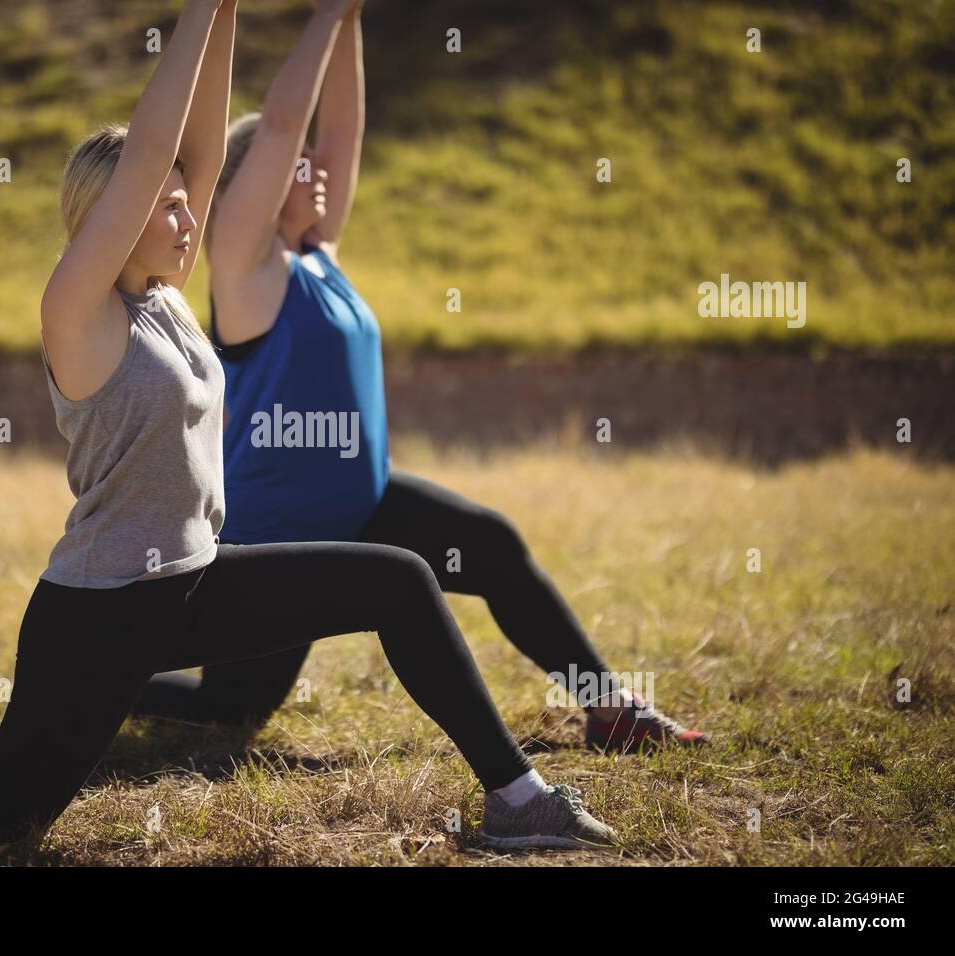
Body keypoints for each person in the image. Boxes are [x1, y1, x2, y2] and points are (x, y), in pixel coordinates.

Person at [0, 0, 616, 854]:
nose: (186, 217)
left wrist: (224, 17)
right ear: (110, 219)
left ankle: (519, 798)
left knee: (402, 582)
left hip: (193, 581)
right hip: (97, 614)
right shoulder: (78, 313)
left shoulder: (170, 302)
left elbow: (196, 153)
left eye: (187, 205)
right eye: (164, 208)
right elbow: (149, 154)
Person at [133, 0, 709, 755]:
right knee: (230, 715)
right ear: (253, 193)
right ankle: (106, 672)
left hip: (364, 505)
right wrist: (324, 14)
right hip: (282, 542)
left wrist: (352, 22)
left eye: (312, 165)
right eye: (296, 167)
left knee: (494, 547)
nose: (316, 169)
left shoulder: (320, 260)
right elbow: (281, 129)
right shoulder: (245, 270)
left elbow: (342, 132)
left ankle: (611, 709)